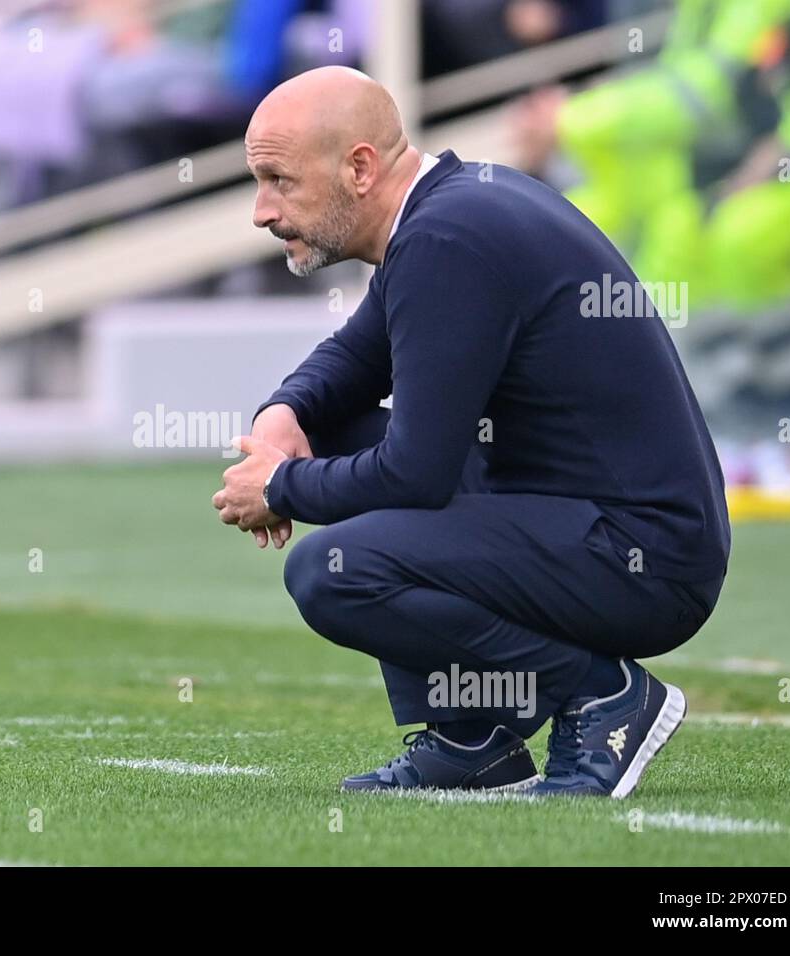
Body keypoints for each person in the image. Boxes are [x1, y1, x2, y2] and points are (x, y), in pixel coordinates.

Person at [211, 66, 730, 798]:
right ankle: (471, 738)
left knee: (331, 572)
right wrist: (283, 418)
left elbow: (415, 473)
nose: (262, 211)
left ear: (359, 167)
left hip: (642, 555)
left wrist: (279, 485)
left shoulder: (447, 236)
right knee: (331, 436)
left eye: (278, 180)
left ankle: (601, 694)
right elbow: (354, 359)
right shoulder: (447, 211)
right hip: (593, 521)